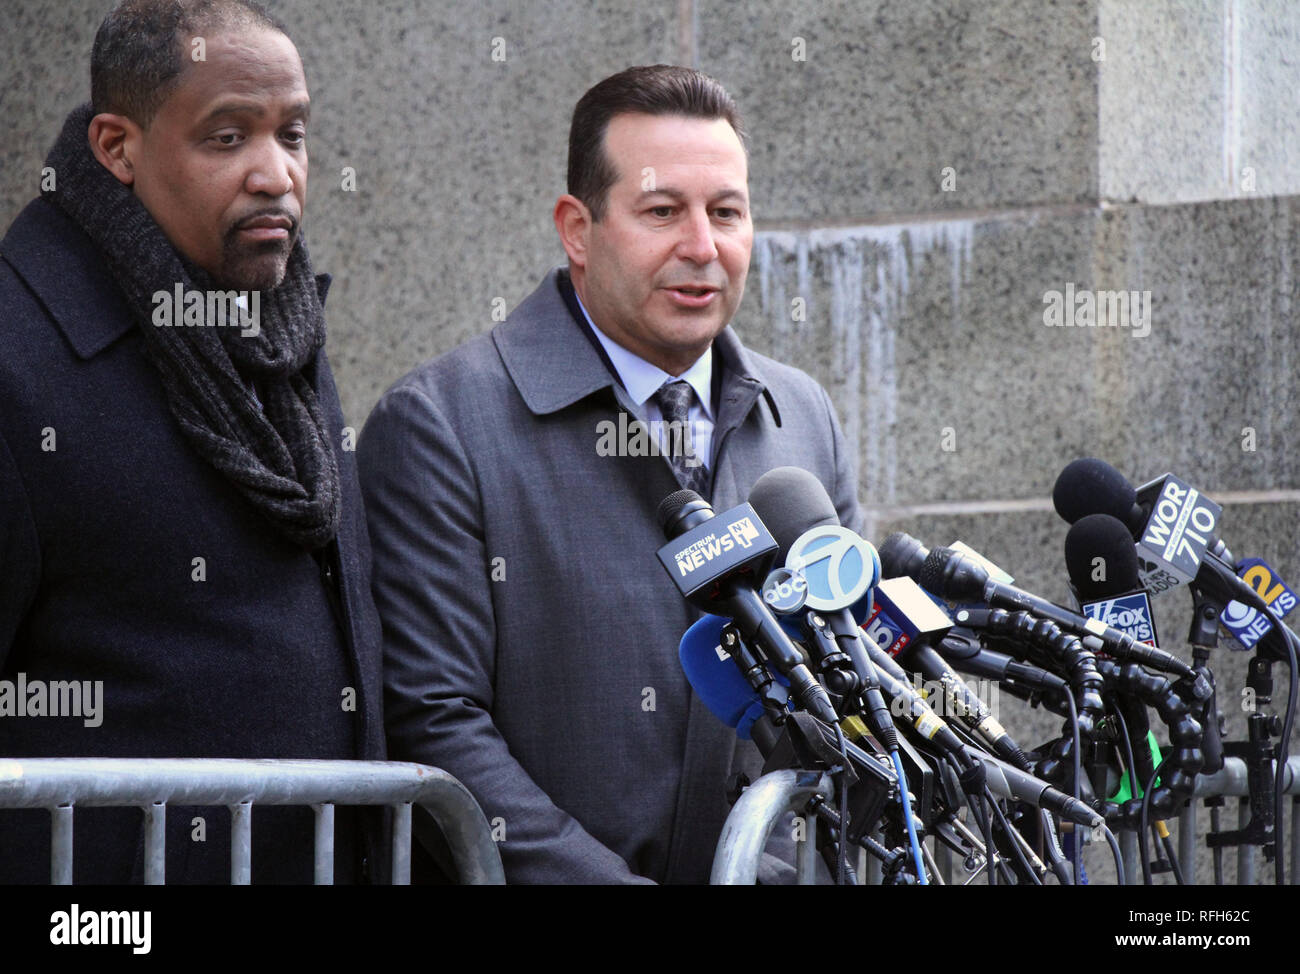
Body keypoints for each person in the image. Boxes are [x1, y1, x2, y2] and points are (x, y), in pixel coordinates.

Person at [359, 65, 862, 883]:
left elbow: (842, 693)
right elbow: (436, 724)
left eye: (726, 213)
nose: (702, 247)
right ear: (577, 228)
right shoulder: (441, 424)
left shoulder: (800, 416)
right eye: (662, 211)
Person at [0, 0, 385, 883]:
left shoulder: (275, 328)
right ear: (117, 148)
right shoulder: (19, 359)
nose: (276, 174)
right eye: (226, 138)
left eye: (292, 134)